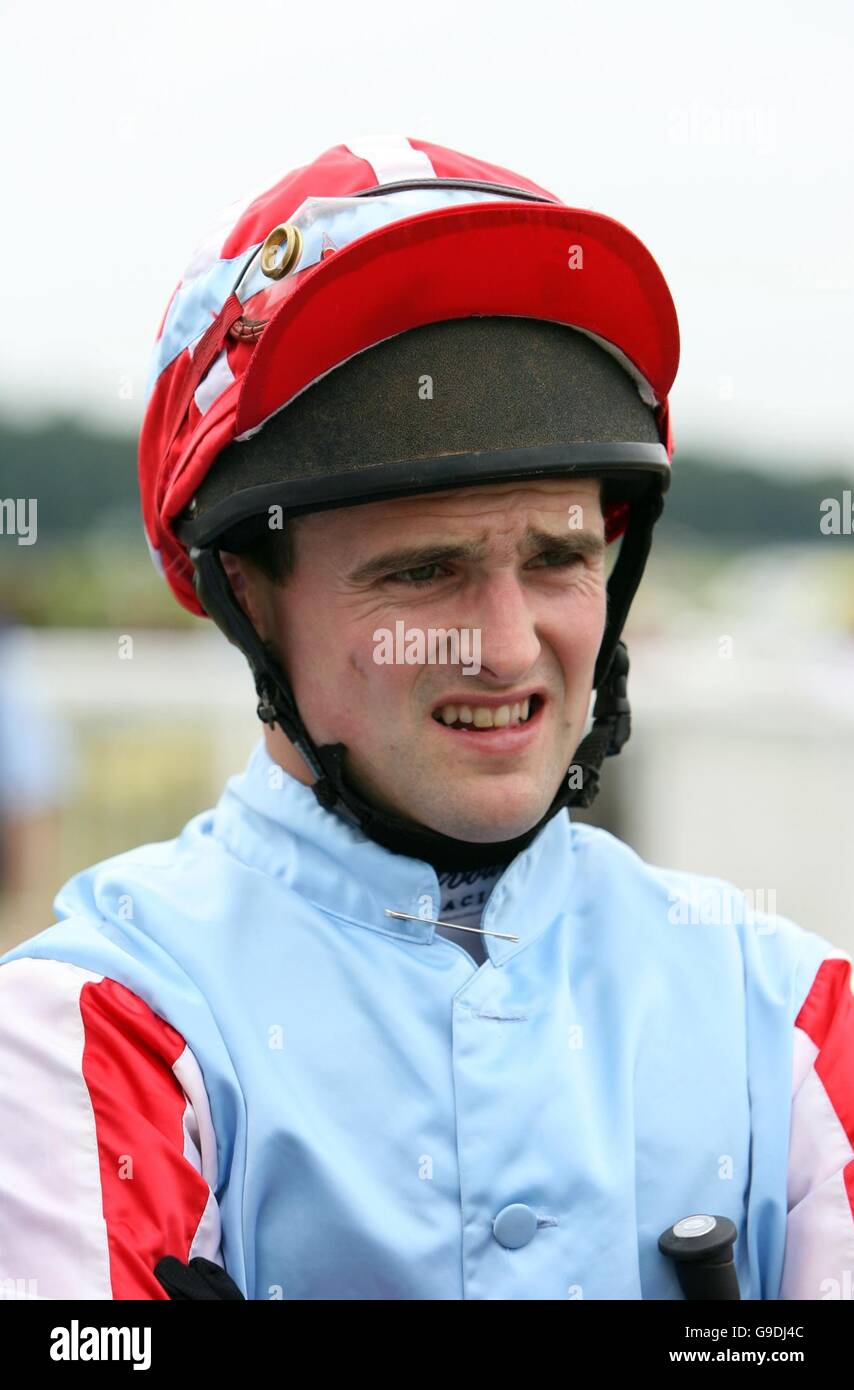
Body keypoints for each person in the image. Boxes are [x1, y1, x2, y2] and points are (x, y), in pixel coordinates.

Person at [1, 135, 851, 1302]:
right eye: (420, 571)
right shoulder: (91, 1034)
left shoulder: (798, 1017)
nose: (505, 646)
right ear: (245, 593)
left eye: (556, 556)